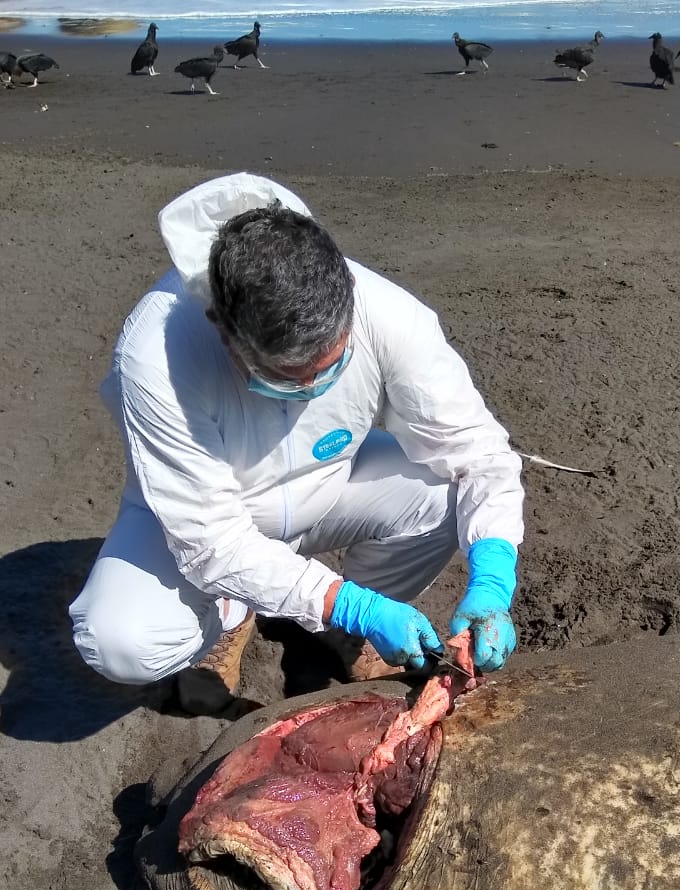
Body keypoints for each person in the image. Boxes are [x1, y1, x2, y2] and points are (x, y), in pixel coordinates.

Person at [69, 173, 524, 713]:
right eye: (290, 377)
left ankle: (354, 626)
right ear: (225, 333)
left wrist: (493, 579)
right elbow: (212, 539)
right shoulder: (156, 359)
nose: (312, 386)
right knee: (120, 640)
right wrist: (345, 602)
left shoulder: (388, 314)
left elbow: (478, 452)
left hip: (329, 483)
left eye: (330, 366)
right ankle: (231, 616)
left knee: (444, 492)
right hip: (202, 518)